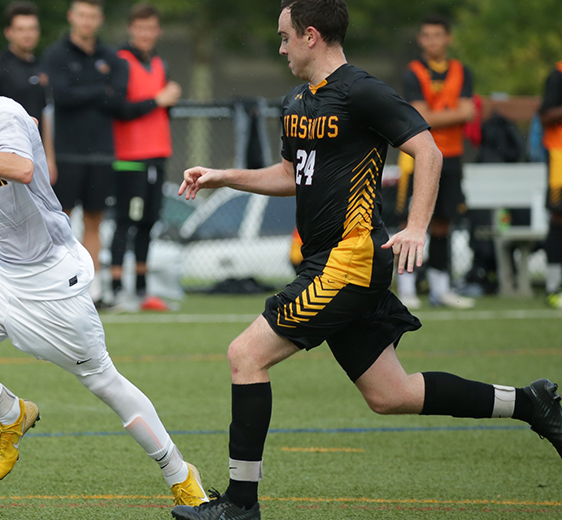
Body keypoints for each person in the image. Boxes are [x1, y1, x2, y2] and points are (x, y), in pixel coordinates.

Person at [169, 1, 562, 519]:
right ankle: (532, 402)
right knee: (391, 394)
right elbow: (290, 176)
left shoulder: (362, 92)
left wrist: (416, 226)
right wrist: (223, 175)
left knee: (246, 355)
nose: (281, 48)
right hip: (326, 262)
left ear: (312, 35)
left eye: (285, 37)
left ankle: (241, 505)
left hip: (351, 260)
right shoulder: (296, 101)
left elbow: (429, 151)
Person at [0, 28, 208, 506]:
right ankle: (12, 413)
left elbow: (22, 169)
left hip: (48, 280)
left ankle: (179, 473)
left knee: (104, 381)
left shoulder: (2, 113)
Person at [41, 0, 123, 307]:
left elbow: (118, 97)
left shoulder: (110, 56)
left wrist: (87, 92)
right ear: (71, 17)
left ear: (99, 19)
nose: (87, 21)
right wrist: (99, 91)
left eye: (92, 15)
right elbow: (61, 96)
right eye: (82, 15)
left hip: (102, 153)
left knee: (94, 221)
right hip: (66, 153)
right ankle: (60, 289)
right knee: (62, 221)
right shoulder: (56, 54)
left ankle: (93, 291)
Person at [397, 14, 477, 309]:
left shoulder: (461, 71)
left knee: (444, 221)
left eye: (438, 35)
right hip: (417, 155)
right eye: (427, 35)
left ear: (448, 38)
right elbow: (423, 116)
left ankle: (440, 287)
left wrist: (436, 115)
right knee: (410, 221)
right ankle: (406, 287)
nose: (432, 41)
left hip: (452, 156)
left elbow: (469, 113)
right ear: (420, 40)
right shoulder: (413, 72)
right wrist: (452, 114)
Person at [108, 2, 181, 312]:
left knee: (149, 222)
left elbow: (164, 111)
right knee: (127, 221)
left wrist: (168, 101)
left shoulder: (160, 64)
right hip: (129, 157)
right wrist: (157, 99)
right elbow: (119, 108)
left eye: (151, 28)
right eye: (140, 28)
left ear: (157, 31)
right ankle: (114, 290)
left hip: (157, 155)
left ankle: (141, 289)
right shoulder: (121, 62)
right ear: (131, 29)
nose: (146, 34)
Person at [0, 1, 58, 184]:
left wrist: (49, 159)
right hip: (8, 157)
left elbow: (45, 113)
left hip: (37, 157)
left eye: (32, 28)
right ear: (8, 32)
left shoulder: (42, 67)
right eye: (21, 29)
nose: (27, 34)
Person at [540, 60, 562, 308]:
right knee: (559, 219)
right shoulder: (557, 75)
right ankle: (553, 286)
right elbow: (546, 115)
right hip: (560, 157)